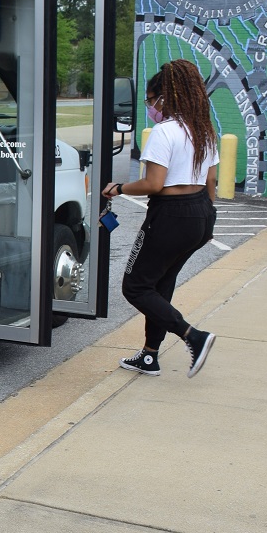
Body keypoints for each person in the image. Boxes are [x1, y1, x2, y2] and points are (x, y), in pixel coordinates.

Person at [101, 59, 219, 378]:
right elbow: (211, 182)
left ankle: (193, 336)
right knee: (162, 282)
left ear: (165, 97)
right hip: (201, 214)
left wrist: (119, 187)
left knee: (136, 287)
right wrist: (206, 219)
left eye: (151, 100)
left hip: (170, 216)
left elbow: (153, 183)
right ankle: (150, 355)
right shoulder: (204, 130)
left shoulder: (165, 132)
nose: (150, 107)